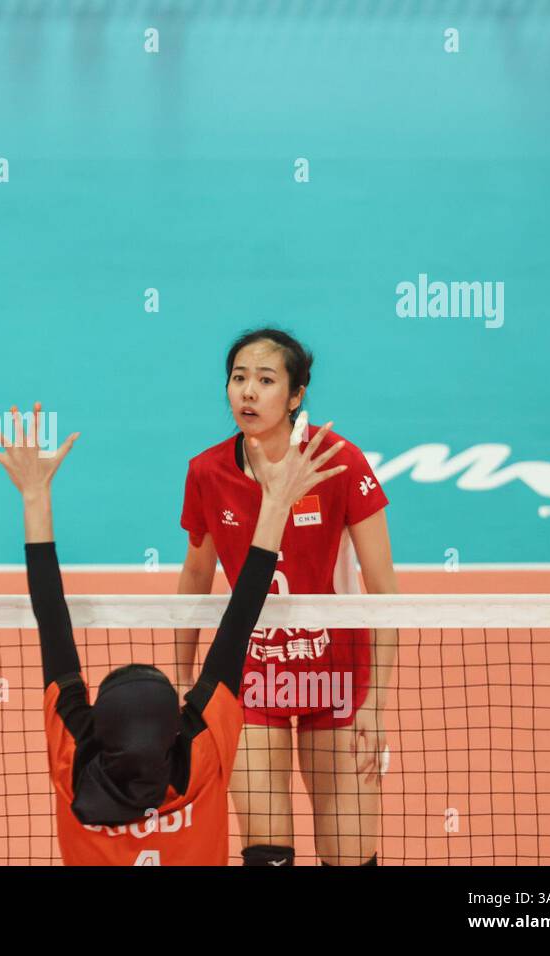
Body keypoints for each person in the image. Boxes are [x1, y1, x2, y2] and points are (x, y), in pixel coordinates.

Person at [0, 403, 347, 865]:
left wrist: (34, 496)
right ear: (176, 730)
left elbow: (51, 623)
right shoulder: (199, 759)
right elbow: (243, 615)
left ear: (95, 729)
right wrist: (275, 506)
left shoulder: (75, 767)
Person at [174, 329, 399, 866]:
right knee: (267, 855)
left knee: (349, 856)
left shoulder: (341, 462)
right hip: (253, 677)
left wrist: (376, 702)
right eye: (238, 378)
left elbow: (384, 590)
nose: (247, 392)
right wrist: (186, 680)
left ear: (296, 395)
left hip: (337, 678)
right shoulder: (207, 472)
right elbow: (194, 576)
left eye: (266, 380)